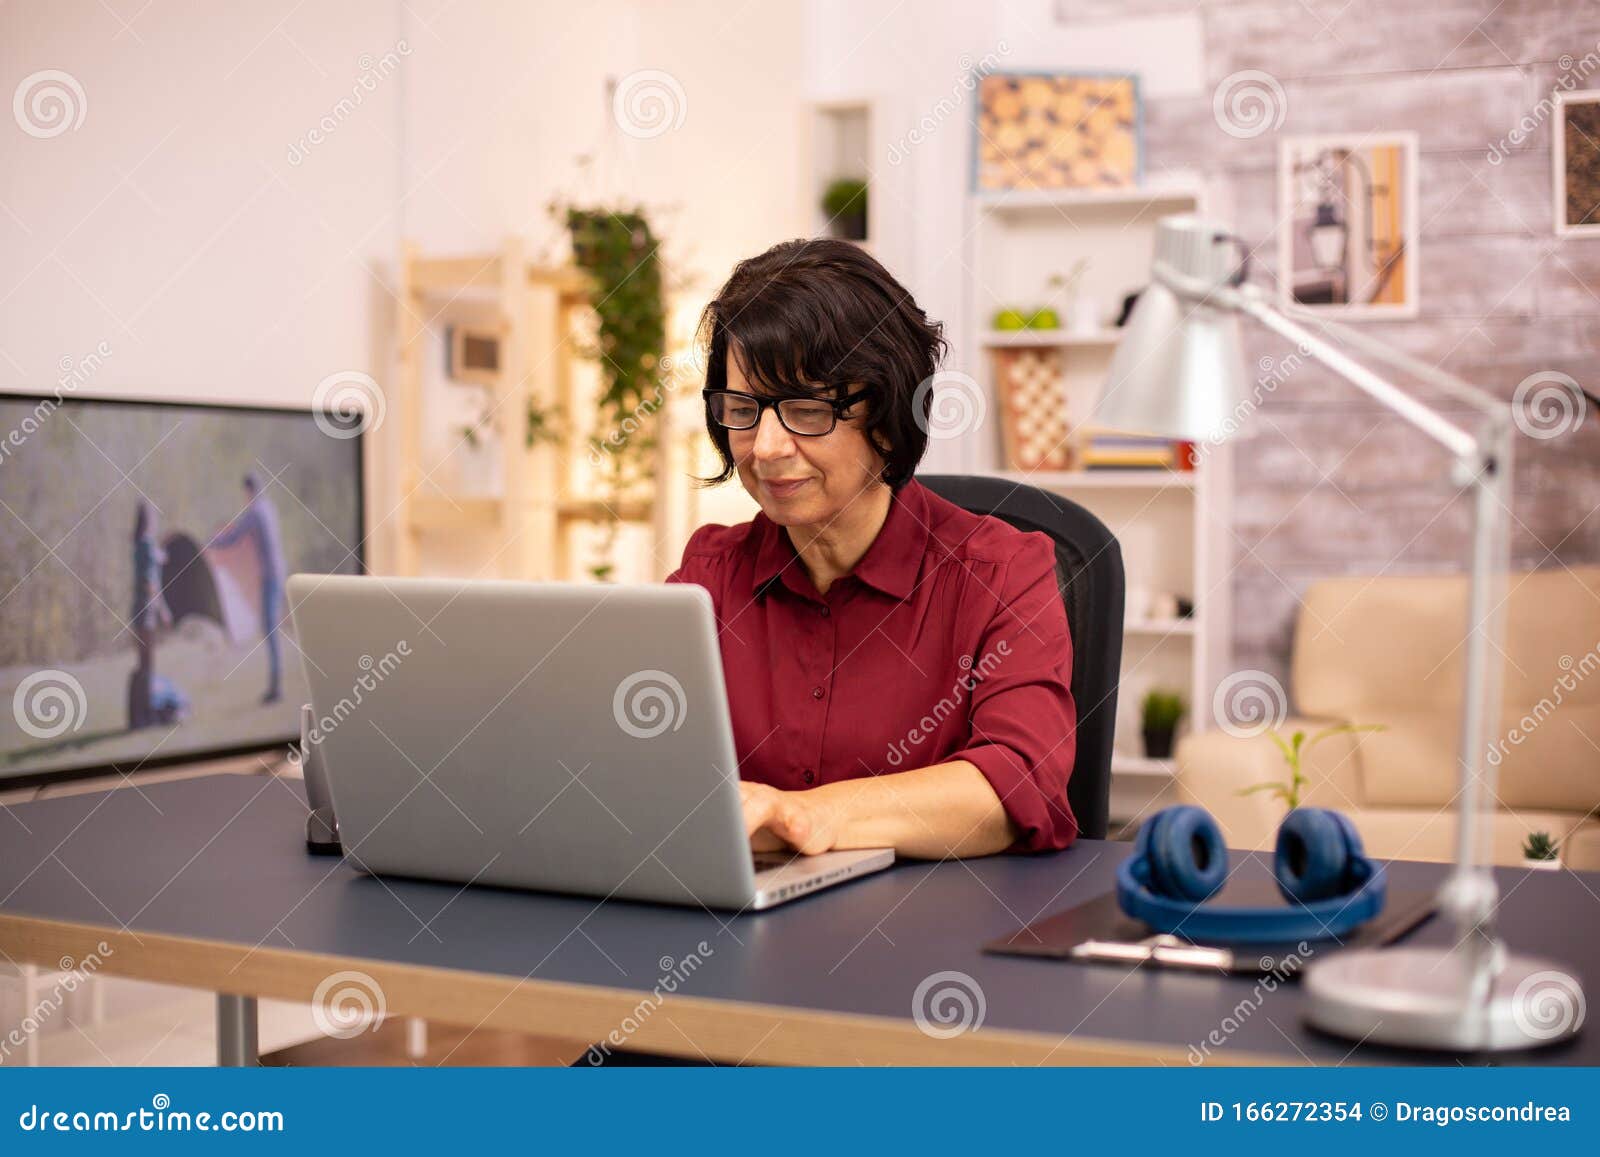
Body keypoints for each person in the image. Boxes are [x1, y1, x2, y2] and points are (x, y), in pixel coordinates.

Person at [668, 239, 1078, 860]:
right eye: (744, 409)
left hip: (940, 939)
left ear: (886, 418)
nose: (767, 447)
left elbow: (1017, 784)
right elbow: (646, 774)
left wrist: (807, 815)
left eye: (806, 409)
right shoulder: (709, 577)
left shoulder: (1003, 572)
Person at [211, 472, 288, 703]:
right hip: (277, 572)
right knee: (270, 627)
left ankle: (276, 688)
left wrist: (211, 542)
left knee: (270, 628)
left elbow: (234, 537)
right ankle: (275, 686)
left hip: (271, 575)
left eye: (244, 493)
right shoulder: (269, 508)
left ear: (249, 491)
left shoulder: (255, 512)